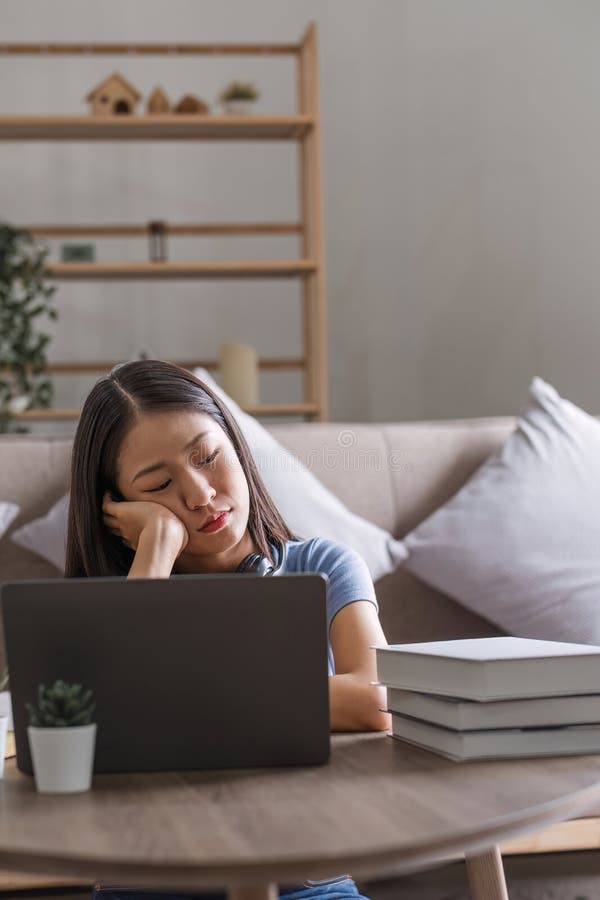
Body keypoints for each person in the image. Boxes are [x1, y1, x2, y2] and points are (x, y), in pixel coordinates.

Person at [65, 359, 391, 900]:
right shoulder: (110, 604)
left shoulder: (325, 567)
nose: (199, 495)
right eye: (160, 485)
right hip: (145, 888)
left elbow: (376, 699)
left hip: (306, 884)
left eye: (208, 457)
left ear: (236, 446)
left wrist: (184, 703)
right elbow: (108, 728)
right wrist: (155, 553)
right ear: (119, 510)